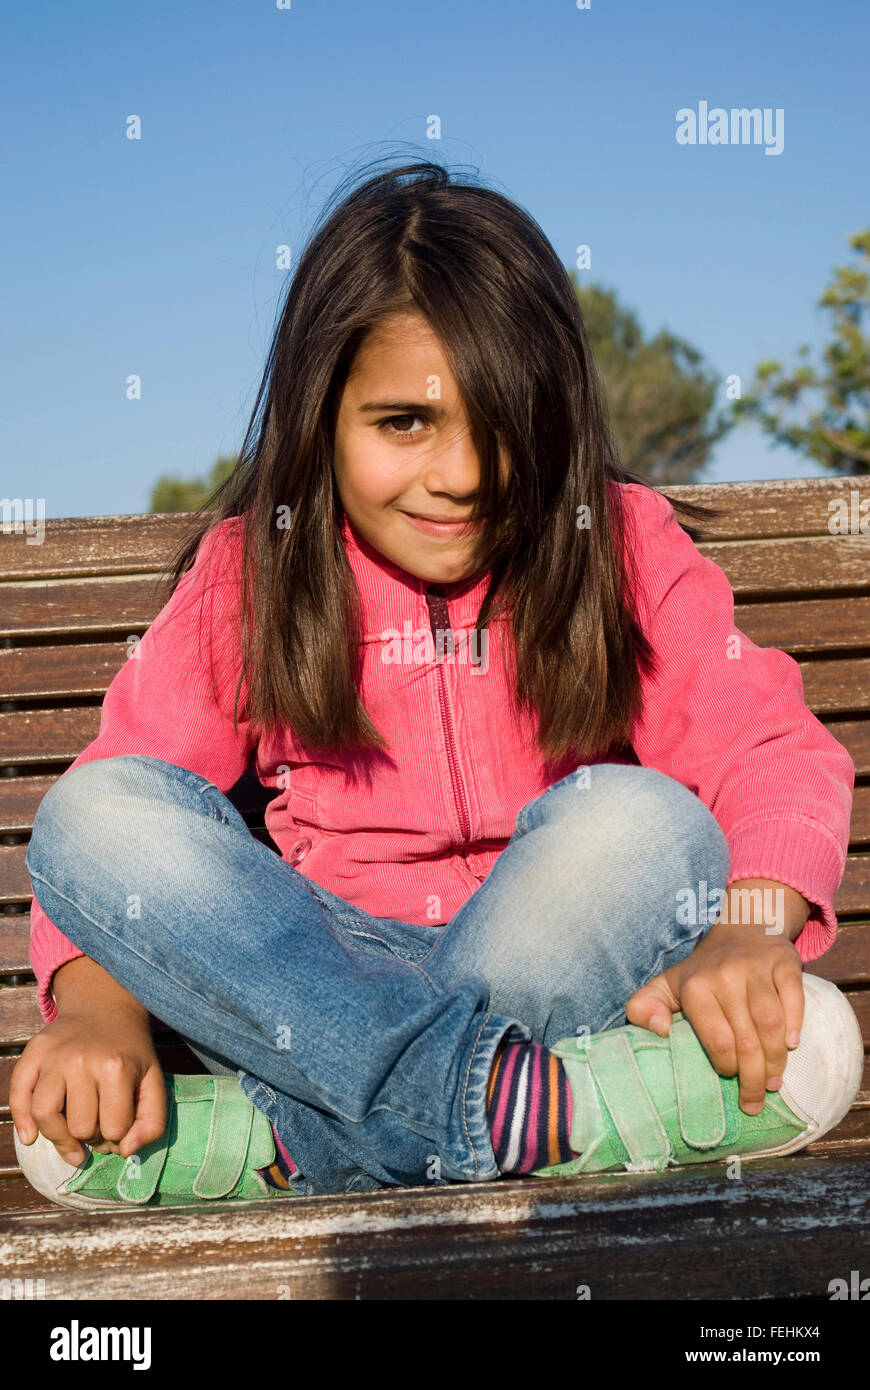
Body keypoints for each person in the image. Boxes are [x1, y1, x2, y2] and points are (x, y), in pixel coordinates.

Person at [11, 160, 862, 1207]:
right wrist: (97, 1013)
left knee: (643, 824)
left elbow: (772, 753)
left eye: (499, 418)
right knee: (94, 815)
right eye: (404, 421)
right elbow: (125, 855)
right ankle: (552, 1114)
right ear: (323, 414)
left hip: (543, 972)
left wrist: (745, 930)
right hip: (303, 974)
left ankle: (283, 1144)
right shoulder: (254, 574)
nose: (462, 471)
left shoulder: (622, 545)